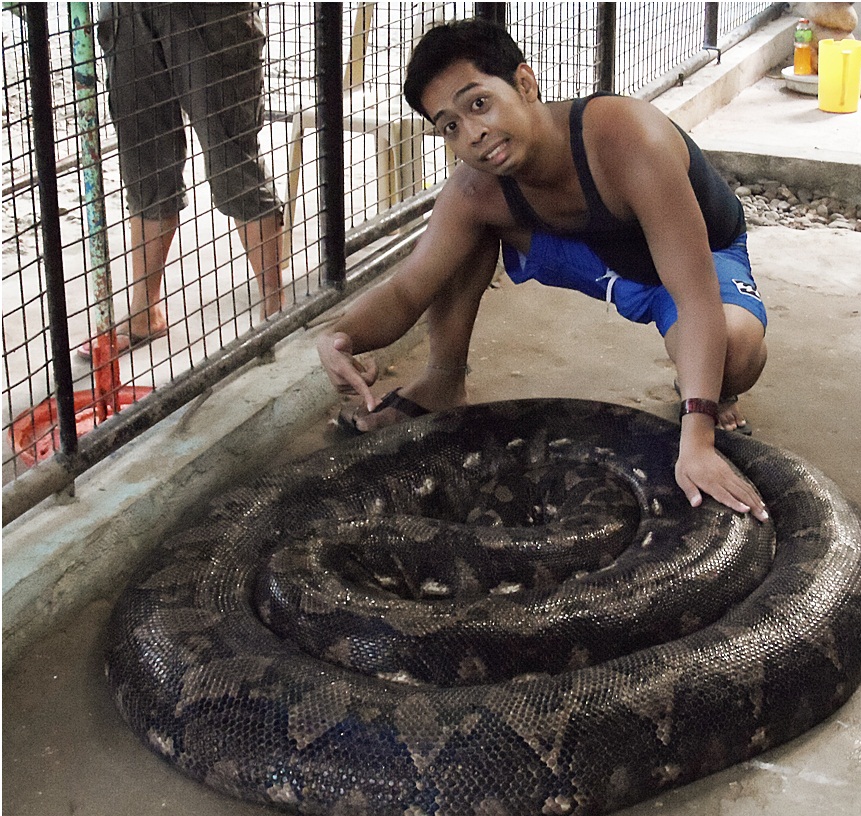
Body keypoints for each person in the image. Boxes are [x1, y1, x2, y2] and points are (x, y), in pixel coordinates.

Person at [317, 18, 769, 521]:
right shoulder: (477, 186)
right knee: (469, 221)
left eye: (479, 104)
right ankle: (443, 378)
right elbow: (408, 289)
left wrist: (698, 434)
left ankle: (713, 387)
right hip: (593, 256)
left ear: (526, 84)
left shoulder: (628, 138)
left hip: (696, 262)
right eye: (450, 126)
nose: (473, 134)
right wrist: (339, 337)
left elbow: (695, 296)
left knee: (733, 354)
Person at [78, 2, 284, 359]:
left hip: (208, 11)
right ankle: (144, 313)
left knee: (233, 160)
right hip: (127, 11)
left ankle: (276, 310)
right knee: (145, 164)